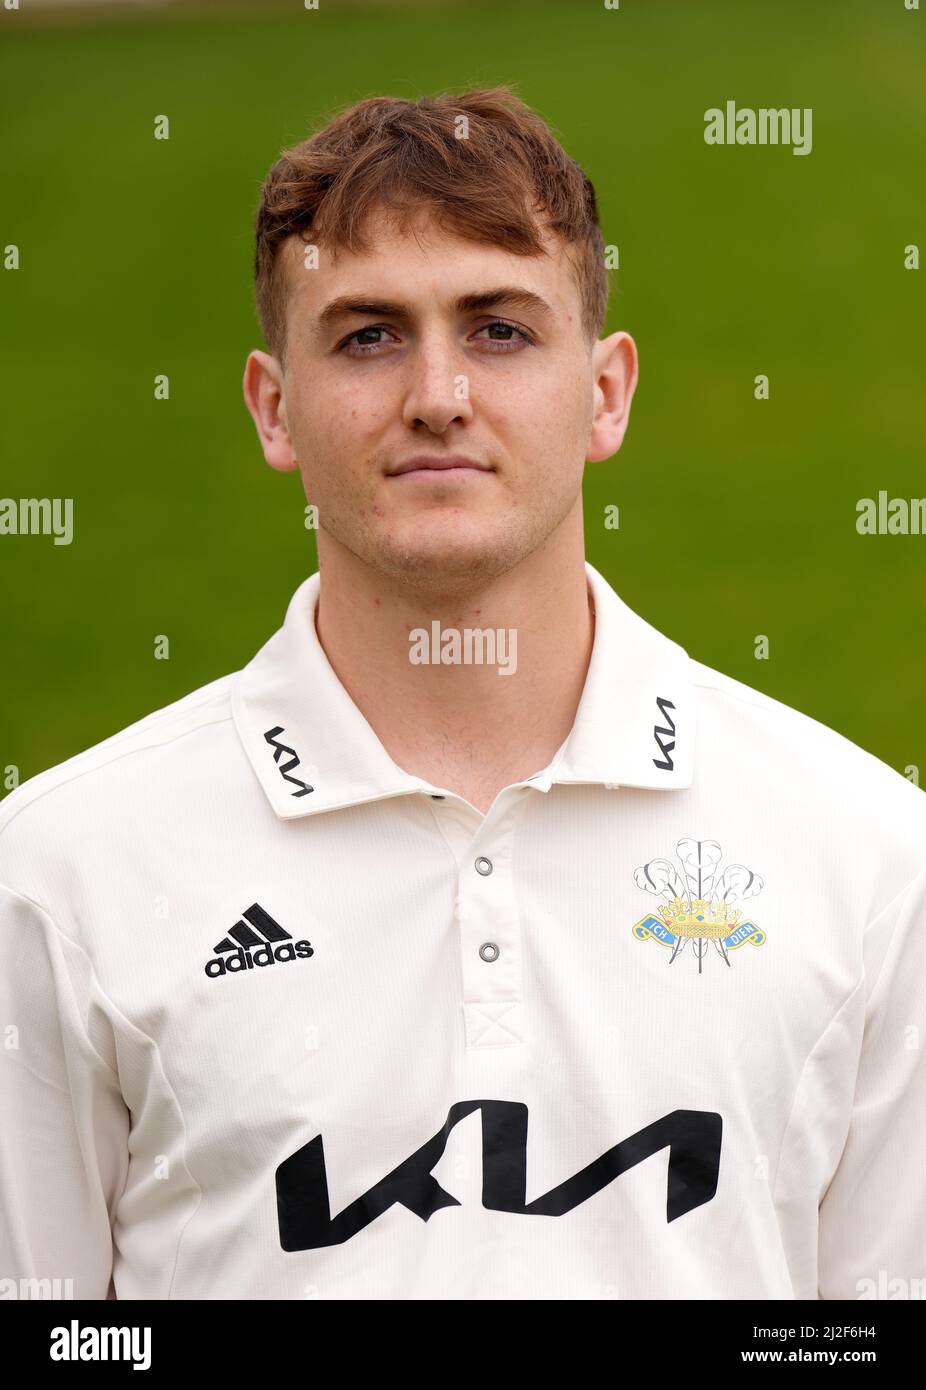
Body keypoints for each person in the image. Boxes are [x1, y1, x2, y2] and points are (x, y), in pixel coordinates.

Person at [1, 87, 923, 1301]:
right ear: (274, 406)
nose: (437, 394)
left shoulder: (862, 854)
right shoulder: (60, 874)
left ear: (604, 393)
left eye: (497, 329)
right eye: (368, 335)